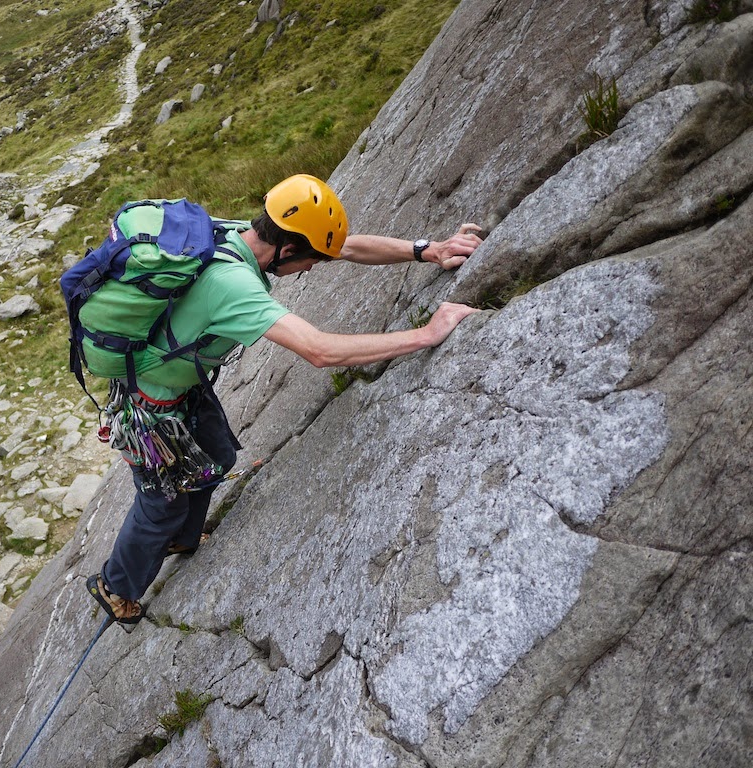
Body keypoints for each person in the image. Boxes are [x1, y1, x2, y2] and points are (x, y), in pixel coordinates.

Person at [86, 174, 482, 625]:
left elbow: (347, 247)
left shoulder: (238, 233)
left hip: (179, 385)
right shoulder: (232, 286)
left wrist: (424, 250)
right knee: (161, 504)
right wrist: (427, 334)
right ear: (288, 249)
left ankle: (182, 538)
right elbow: (320, 350)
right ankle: (115, 585)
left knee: (216, 454)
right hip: (151, 409)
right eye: (309, 261)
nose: (312, 269)